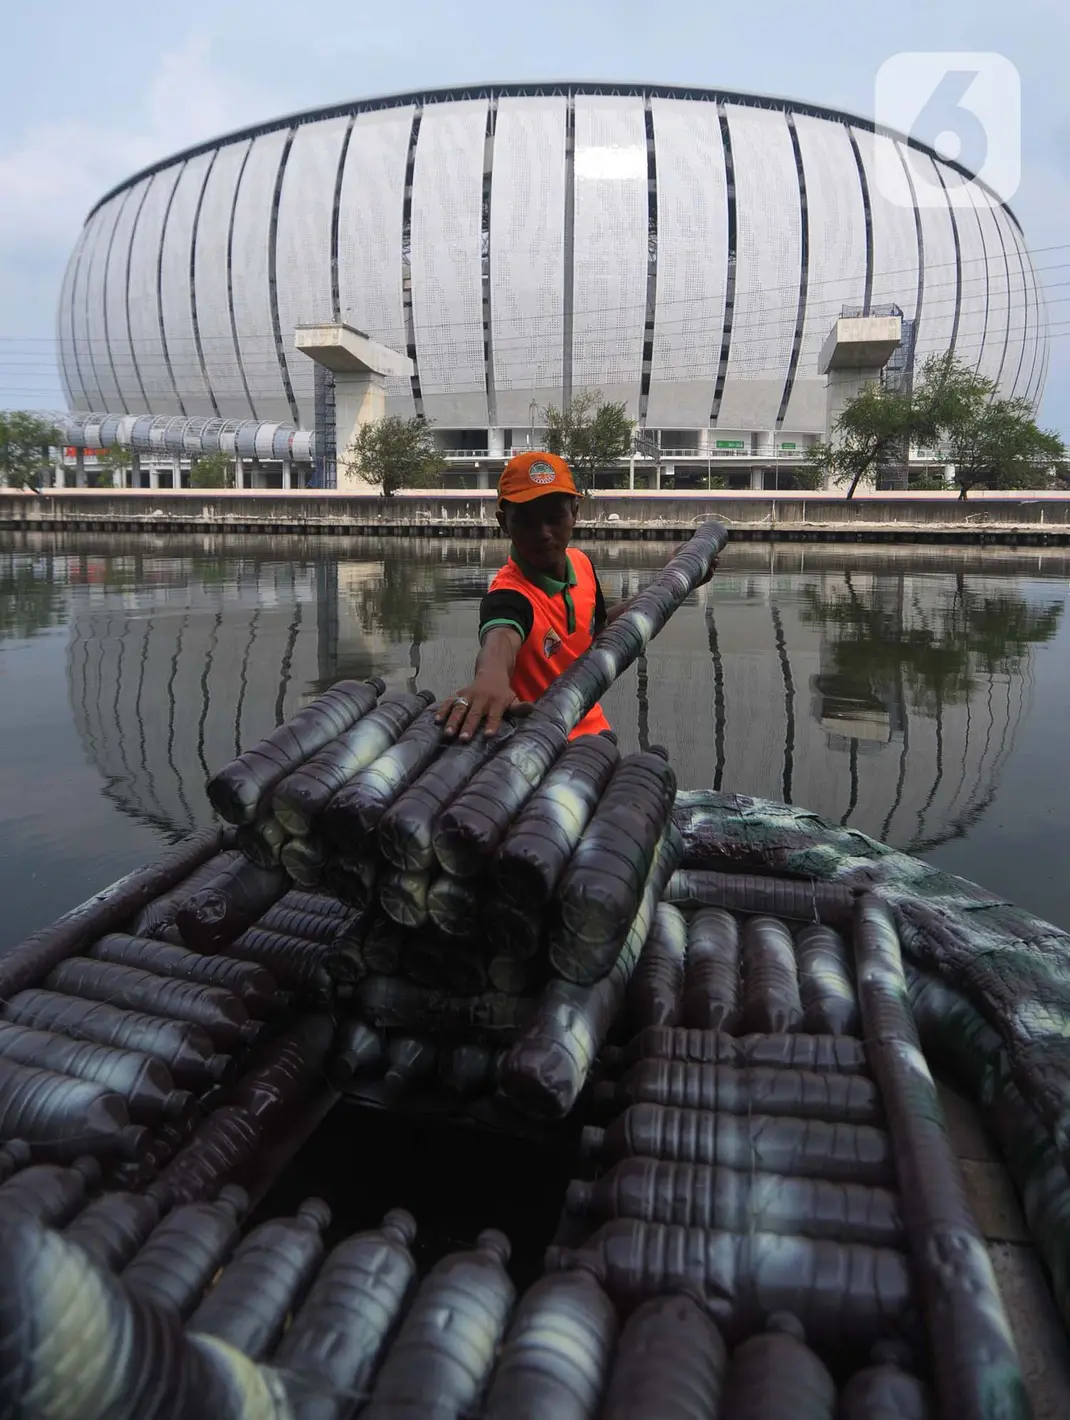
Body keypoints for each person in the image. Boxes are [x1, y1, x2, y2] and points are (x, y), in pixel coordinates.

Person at [437, 450, 713, 743]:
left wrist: (673, 582)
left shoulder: (581, 565)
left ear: (575, 513)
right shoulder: (509, 595)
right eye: (526, 520)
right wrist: (490, 679)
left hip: (593, 731)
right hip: (540, 745)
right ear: (504, 523)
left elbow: (598, 630)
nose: (543, 533)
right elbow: (500, 639)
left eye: (554, 517)